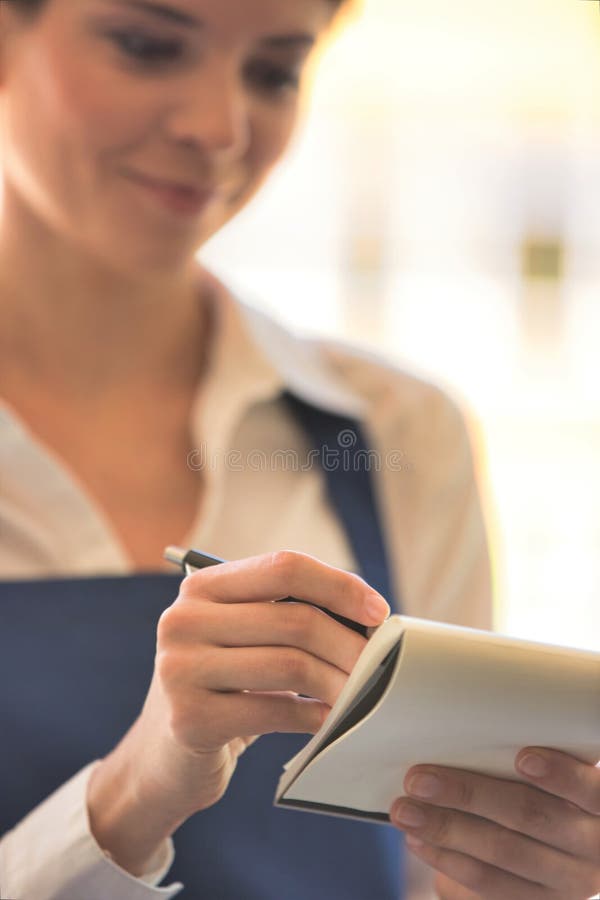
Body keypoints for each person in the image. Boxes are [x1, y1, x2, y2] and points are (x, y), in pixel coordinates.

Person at [0, 1, 598, 898]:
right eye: (147, 46)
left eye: (273, 71)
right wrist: (132, 794)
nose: (219, 127)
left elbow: (434, 868)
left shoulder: (400, 433)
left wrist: (515, 873)